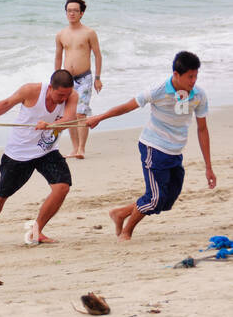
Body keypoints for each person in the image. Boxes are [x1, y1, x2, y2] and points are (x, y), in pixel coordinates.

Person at [85, 51, 215, 241]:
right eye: (190, 76)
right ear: (176, 75)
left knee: (166, 200)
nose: (193, 81)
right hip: (153, 147)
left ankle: (121, 213)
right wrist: (100, 117)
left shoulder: (199, 95)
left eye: (196, 76)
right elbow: (127, 106)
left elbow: (202, 129)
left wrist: (209, 167)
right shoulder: (158, 90)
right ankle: (126, 232)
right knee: (155, 198)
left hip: (175, 151)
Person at [0, 70, 78, 248]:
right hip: (19, 153)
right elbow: (5, 104)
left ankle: (37, 231)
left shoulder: (71, 95)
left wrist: (50, 125)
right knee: (1, 195)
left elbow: (69, 118)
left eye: (66, 95)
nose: (63, 99)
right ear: (50, 87)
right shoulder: (31, 91)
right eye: (59, 95)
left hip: (46, 150)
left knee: (62, 187)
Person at [54, 0, 103, 159]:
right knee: (69, 116)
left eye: (75, 11)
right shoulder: (61, 34)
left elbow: (97, 55)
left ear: (81, 13)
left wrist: (97, 77)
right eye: (69, 11)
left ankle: (82, 148)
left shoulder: (89, 33)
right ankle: (74, 148)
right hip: (67, 80)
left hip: (85, 78)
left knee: (81, 113)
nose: (72, 13)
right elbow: (58, 57)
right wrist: (55, 79)